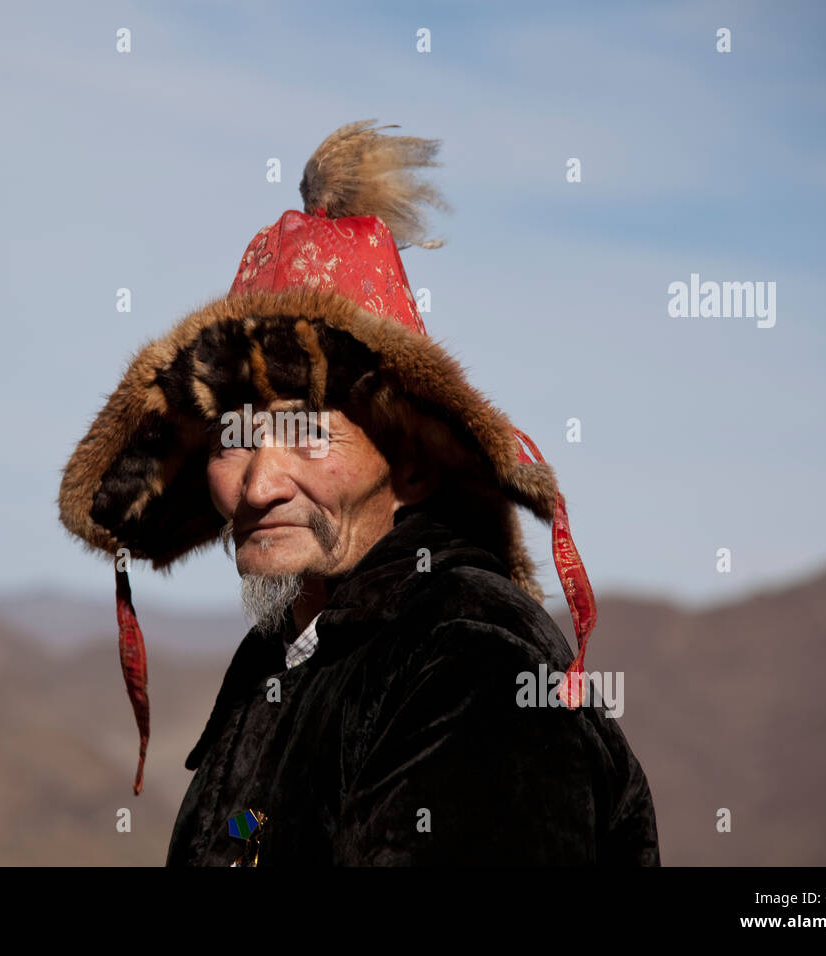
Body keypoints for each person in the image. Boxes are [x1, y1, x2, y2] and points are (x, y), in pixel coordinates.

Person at [58, 120, 659, 865]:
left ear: (411, 463)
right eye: (231, 437)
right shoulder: (288, 660)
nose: (258, 484)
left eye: (309, 431)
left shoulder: (471, 667)